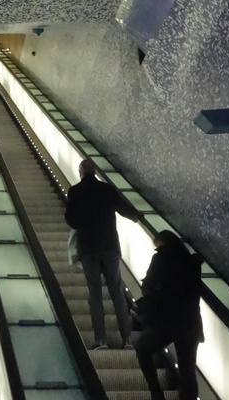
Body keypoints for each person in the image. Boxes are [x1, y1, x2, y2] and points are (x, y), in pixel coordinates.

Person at [65, 157, 140, 349]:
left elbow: (71, 220)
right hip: (110, 246)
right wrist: (137, 216)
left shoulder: (75, 191)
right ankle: (127, 338)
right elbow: (123, 208)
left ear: (80, 173)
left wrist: (83, 222)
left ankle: (100, 340)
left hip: (89, 248)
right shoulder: (107, 189)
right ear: (95, 172)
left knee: (95, 292)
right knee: (116, 290)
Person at [134, 230, 203, 400]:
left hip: (167, 321)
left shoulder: (161, 258)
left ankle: (156, 394)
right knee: (187, 370)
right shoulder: (193, 262)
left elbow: (147, 286)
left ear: (162, 244)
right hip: (191, 323)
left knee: (142, 349)